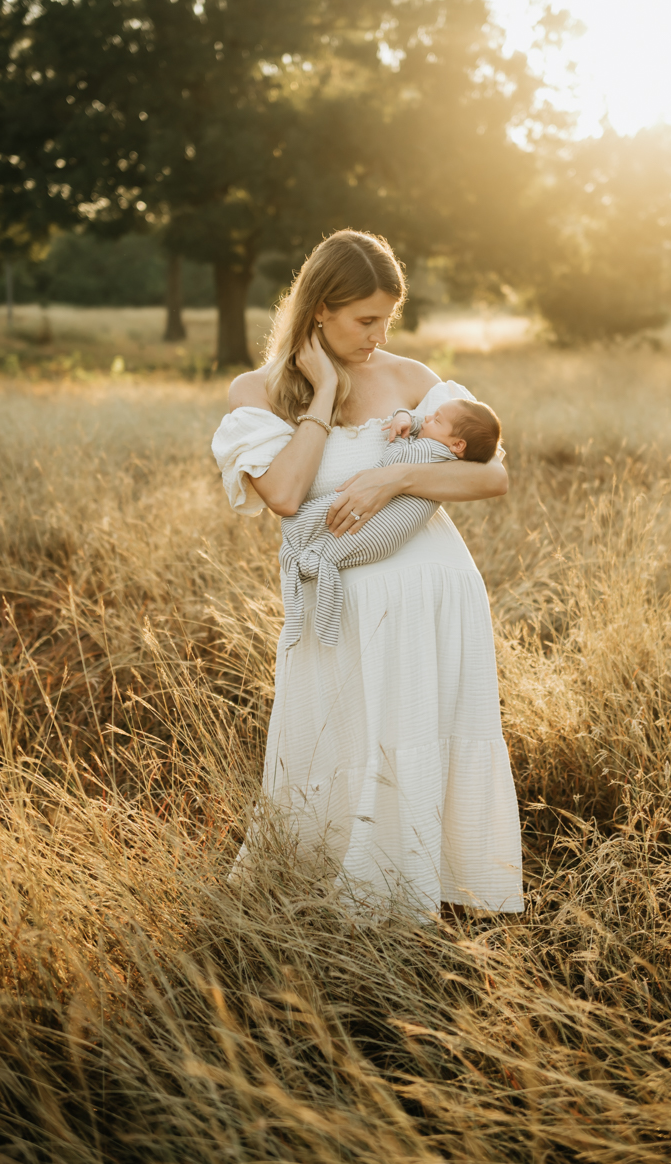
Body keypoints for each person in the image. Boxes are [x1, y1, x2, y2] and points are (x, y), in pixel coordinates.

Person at [211, 229, 523, 917]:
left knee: (424, 731)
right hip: (342, 608)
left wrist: (397, 479)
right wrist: (323, 394)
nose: (378, 335)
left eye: (388, 318)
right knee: (339, 735)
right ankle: (345, 894)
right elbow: (287, 496)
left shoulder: (415, 379)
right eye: (363, 320)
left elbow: (493, 476)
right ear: (319, 308)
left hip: (438, 596)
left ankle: (440, 892)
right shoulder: (256, 392)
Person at [278, 397, 504, 649]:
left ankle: (305, 553)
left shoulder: (428, 449)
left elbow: (391, 462)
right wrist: (410, 418)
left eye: (435, 420)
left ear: (457, 444)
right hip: (388, 540)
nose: (427, 419)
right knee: (336, 543)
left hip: (385, 530)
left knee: (326, 514)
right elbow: (426, 425)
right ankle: (317, 561)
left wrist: (400, 434)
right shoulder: (453, 458)